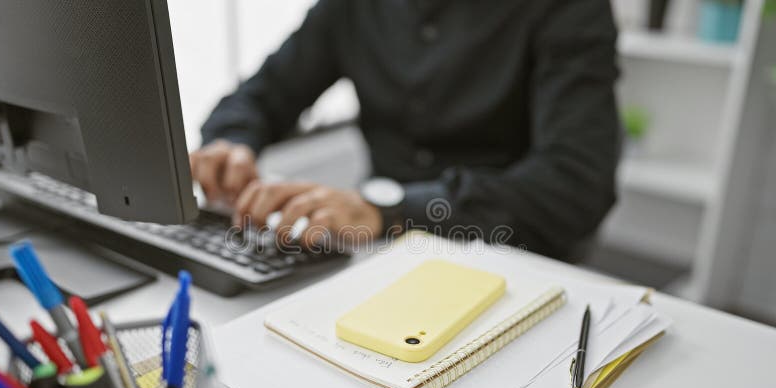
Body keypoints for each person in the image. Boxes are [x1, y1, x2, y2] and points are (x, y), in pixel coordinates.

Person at [191, 0, 620, 260]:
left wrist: (394, 211)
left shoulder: (567, 9)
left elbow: (577, 182)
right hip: (375, 247)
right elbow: (264, 94)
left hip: (510, 251)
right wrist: (232, 143)